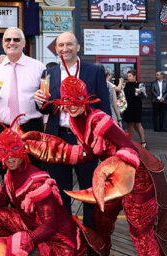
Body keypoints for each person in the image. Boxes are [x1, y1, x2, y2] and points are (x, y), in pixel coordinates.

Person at [26, 63, 167, 255]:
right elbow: (87, 153)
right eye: (67, 100)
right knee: (101, 219)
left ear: (86, 99)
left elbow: (128, 148)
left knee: (140, 228)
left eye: (78, 99)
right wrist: (52, 149)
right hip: (112, 174)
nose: (72, 105)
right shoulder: (74, 121)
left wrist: (106, 169)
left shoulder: (98, 119)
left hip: (136, 173)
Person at [0, 117, 99, 256]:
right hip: (34, 226)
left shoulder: (37, 182)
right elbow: (2, 203)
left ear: (23, 150)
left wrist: (27, 241)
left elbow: (50, 226)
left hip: (62, 243)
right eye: (4, 151)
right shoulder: (10, 175)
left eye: (14, 150)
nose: (10, 157)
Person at [33, 31, 110, 227]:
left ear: (78, 47)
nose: (64, 49)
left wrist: (102, 139)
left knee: (90, 190)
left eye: (69, 44)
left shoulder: (94, 71)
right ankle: (67, 233)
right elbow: (46, 108)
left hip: (86, 140)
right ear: (56, 49)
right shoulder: (48, 74)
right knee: (60, 190)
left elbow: (105, 108)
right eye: (60, 45)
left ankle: (91, 233)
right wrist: (39, 101)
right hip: (58, 138)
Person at [0, 27, 46, 145]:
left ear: (24, 43)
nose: (11, 43)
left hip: (31, 128)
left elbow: (46, 100)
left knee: (32, 163)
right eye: (7, 40)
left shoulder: (38, 67)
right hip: (2, 128)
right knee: (5, 164)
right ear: (3, 44)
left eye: (16, 39)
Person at [123, 70, 147, 147]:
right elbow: (125, 94)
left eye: (130, 76)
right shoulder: (126, 84)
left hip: (136, 106)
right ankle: (131, 142)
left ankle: (143, 142)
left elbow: (145, 95)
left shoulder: (140, 84)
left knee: (138, 123)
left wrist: (140, 93)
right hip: (128, 106)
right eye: (128, 76)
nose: (128, 77)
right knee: (129, 124)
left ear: (134, 76)